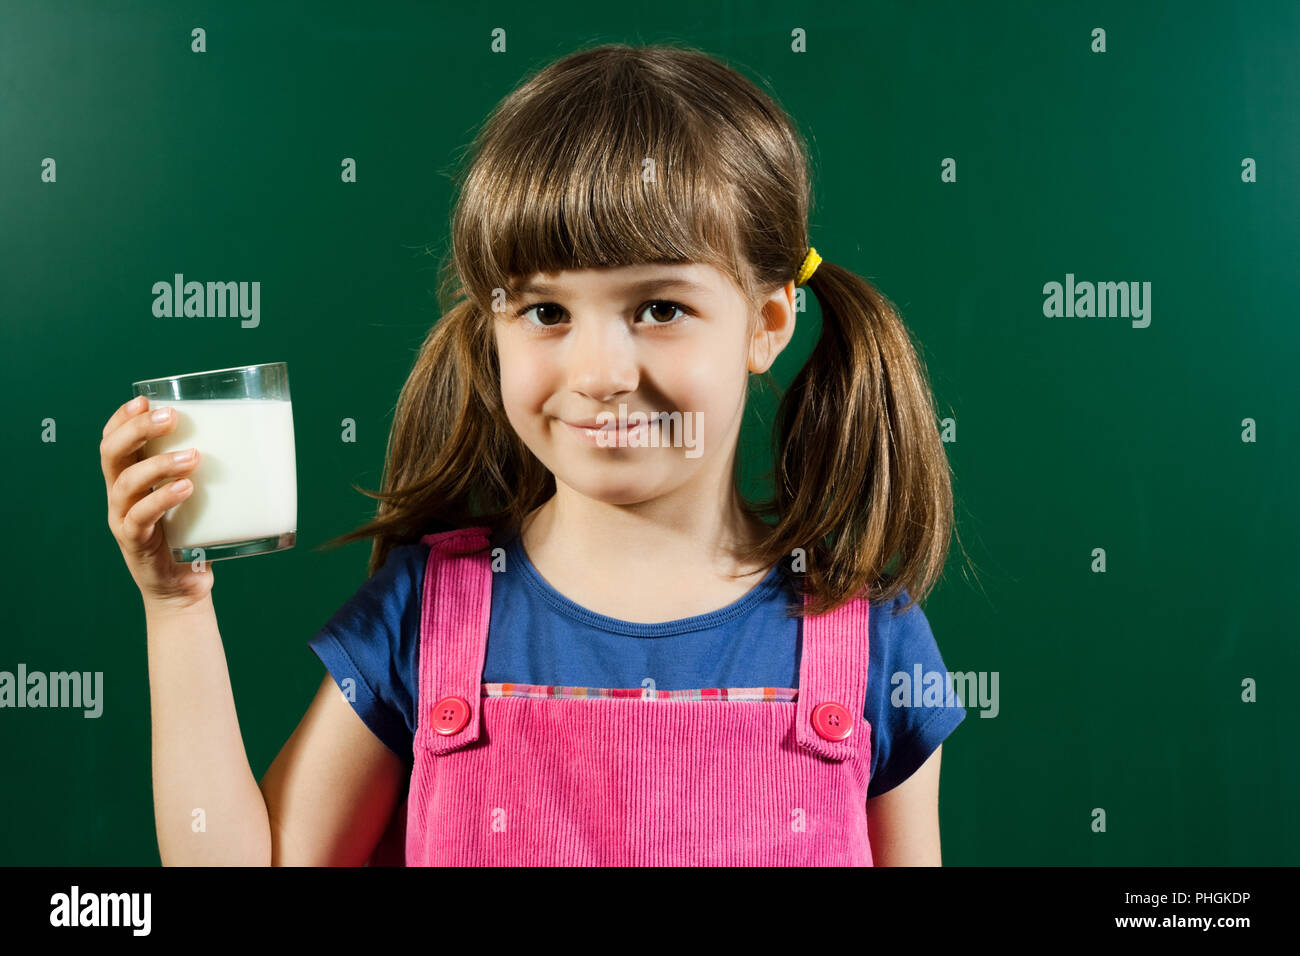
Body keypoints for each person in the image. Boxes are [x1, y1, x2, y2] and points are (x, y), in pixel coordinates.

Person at [102, 42, 968, 867]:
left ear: (768, 322)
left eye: (660, 308)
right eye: (546, 312)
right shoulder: (424, 615)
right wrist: (175, 608)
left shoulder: (873, 643)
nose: (598, 373)